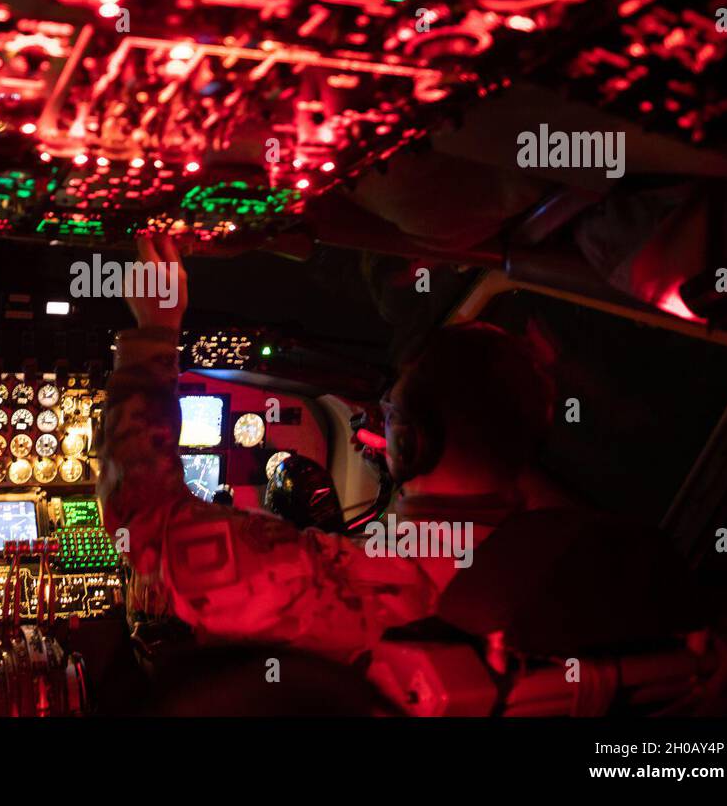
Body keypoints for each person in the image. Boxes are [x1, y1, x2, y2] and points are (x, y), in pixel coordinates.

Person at [97, 236, 573, 663]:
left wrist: (156, 327)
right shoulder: (567, 558)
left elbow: (148, 521)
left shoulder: (366, 589)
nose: (380, 420)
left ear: (409, 441)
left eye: (392, 411)